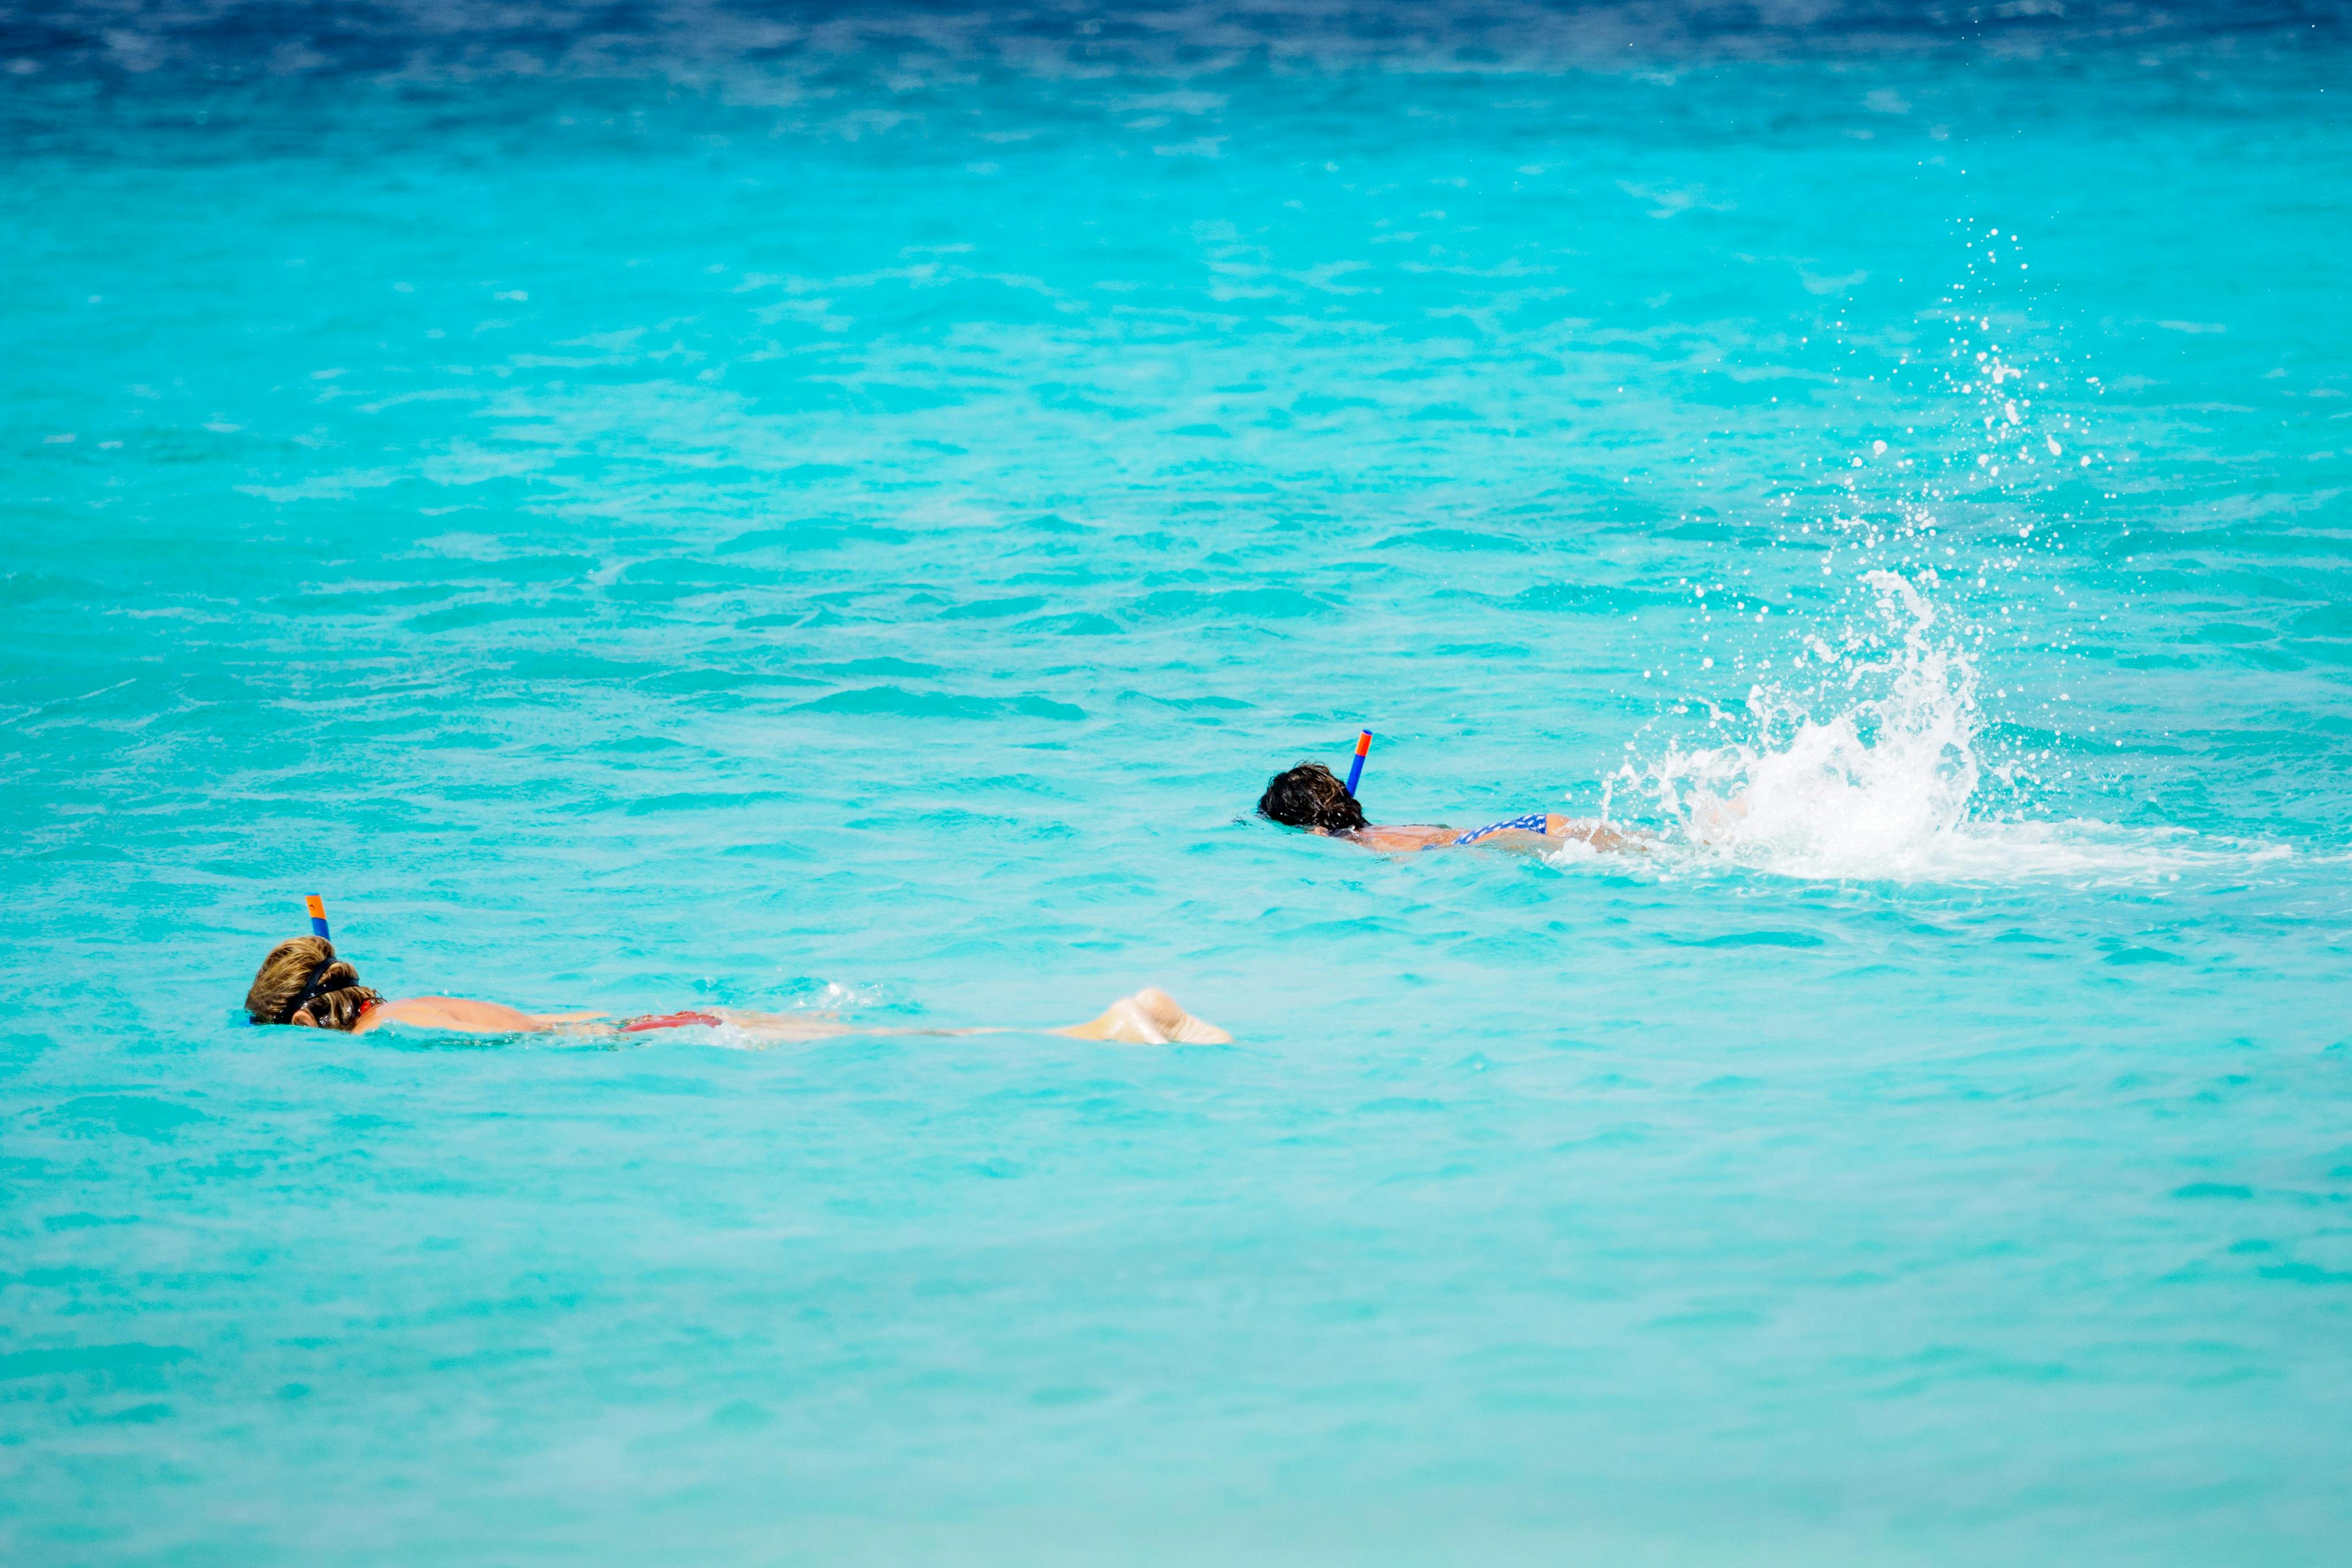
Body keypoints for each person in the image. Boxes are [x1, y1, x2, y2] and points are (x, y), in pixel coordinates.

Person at [242, 935, 1231, 1045]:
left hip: (657, 1036)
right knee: (904, 1035)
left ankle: (1108, 1027)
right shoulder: (420, 1003)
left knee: (897, 1043)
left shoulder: (392, 1035)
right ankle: (1108, 1023)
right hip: (656, 1018)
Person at [1255, 761, 1638, 854]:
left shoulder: (1355, 841)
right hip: (1529, 821)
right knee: (1641, 846)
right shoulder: (1395, 826)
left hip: (1493, 842)